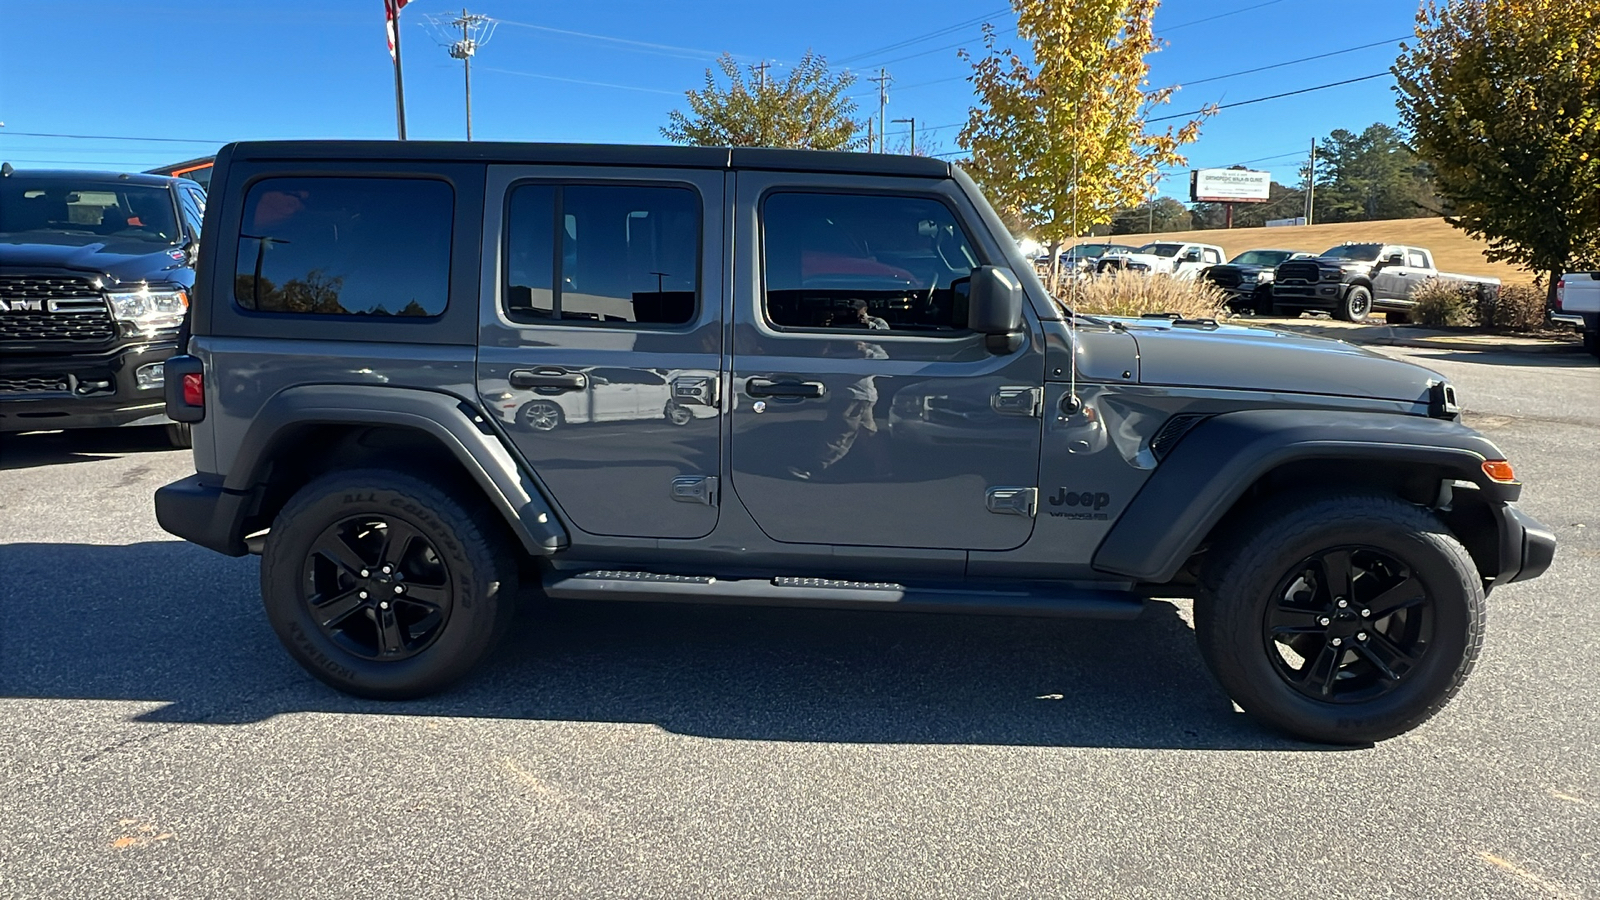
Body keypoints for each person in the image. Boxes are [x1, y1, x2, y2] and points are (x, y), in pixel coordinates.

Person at [788, 304, 888, 480]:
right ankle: (884, 469)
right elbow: (822, 358)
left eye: (854, 314)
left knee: (838, 433)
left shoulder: (868, 333)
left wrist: (864, 350)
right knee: (868, 434)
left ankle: (819, 468)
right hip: (852, 393)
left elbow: (883, 359)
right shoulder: (834, 334)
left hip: (853, 393)